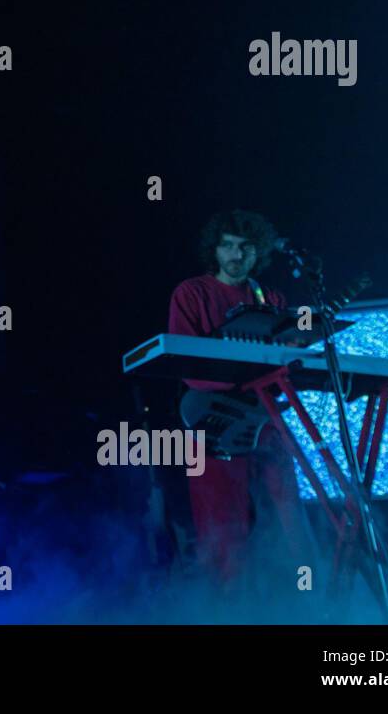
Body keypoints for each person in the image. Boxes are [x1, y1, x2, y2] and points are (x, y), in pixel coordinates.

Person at [167, 209, 314, 590]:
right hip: (214, 422)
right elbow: (187, 366)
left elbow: (288, 351)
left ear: (258, 252)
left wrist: (303, 337)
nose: (236, 255)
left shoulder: (272, 297)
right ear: (214, 250)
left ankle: (308, 604)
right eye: (227, 246)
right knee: (223, 526)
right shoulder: (192, 293)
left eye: (245, 248)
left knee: (291, 519)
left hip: (266, 419)